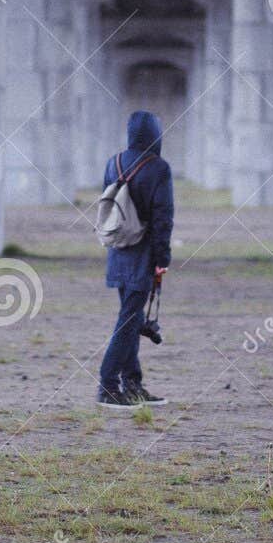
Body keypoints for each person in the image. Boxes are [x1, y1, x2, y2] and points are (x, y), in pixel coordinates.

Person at [97, 109, 174, 408]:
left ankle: (132, 383)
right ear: (156, 135)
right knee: (128, 321)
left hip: (117, 249)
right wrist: (161, 258)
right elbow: (162, 218)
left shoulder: (112, 162)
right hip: (143, 254)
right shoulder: (159, 168)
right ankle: (107, 386)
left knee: (132, 318)